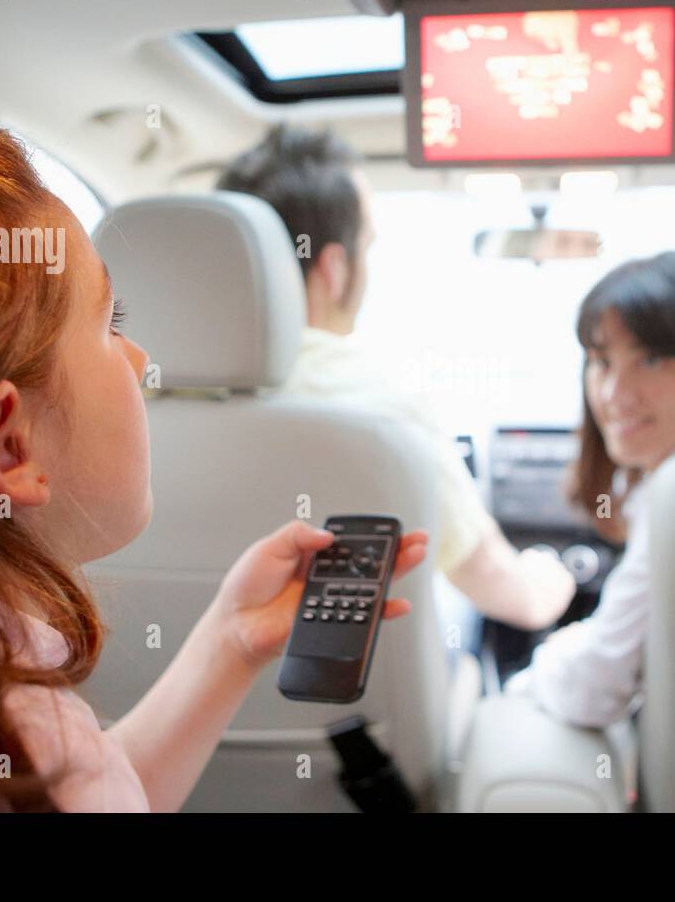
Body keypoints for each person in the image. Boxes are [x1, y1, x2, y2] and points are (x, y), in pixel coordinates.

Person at [0, 109, 427, 811]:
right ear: (12, 445)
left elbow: (96, 786)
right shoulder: (1, 732)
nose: (140, 360)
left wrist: (231, 640)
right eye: (112, 326)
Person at [216, 125, 575, 631]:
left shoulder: (145, 396)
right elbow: (503, 589)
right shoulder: (380, 406)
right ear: (335, 267)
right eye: (368, 244)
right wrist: (552, 579)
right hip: (355, 710)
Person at [505, 252, 675, 728]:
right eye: (600, 362)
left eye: (651, 359)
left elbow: (592, 693)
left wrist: (543, 663)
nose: (614, 393)